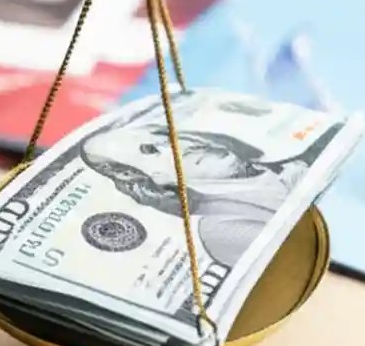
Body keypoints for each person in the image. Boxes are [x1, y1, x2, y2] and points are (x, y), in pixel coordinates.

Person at [78, 104, 339, 266]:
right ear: (152, 181)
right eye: (150, 150)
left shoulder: (291, 164)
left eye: (166, 135)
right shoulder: (222, 228)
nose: (180, 144)